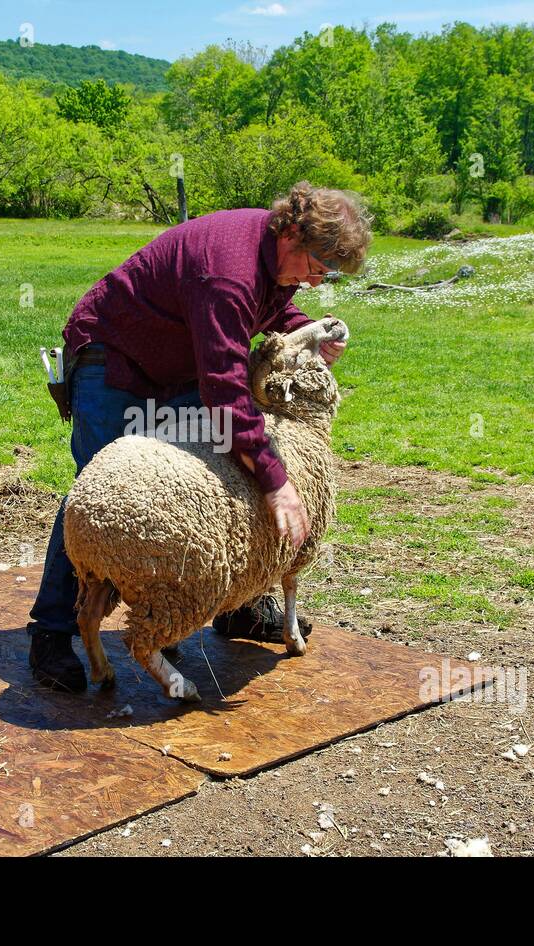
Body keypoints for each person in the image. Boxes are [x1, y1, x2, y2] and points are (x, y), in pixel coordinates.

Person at [27, 181, 373, 691]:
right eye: (319, 266)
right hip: (114, 358)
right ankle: (52, 632)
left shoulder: (272, 253)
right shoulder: (226, 271)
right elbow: (226, 394)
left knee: (217, 473)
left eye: (329, 274)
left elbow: (271, 309)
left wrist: (309, 328)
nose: (319, 281)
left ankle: (238, 604)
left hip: (177, 361)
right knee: (100, 491)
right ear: (295, 233)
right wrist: (278, 481)